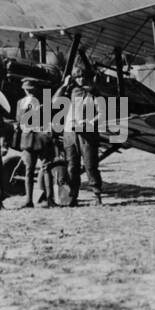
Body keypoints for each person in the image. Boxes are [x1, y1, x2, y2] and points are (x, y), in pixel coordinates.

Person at [61, 67, 104, 207]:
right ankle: (73, 196)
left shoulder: (94, 93)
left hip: (87, 134)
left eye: (83, 76)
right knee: (72, 167)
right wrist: (63, 85)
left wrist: (90, 122)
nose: (80, 79)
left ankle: (97, 195)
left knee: (90, 166)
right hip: (70, 133)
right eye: (77, 77)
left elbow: (102, 113)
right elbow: (55, 100)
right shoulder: (70, 91)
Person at [14, 78, 51, 208]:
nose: (30, 92)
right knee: (29, 170)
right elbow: (18, 120)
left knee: (46, 168)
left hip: (41, 139)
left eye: (32, 90)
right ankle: (29, 200)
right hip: (27, 140)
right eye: (28, 90)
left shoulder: (43, 102)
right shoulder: (20, 103)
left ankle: (49, 199)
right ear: (24, 89)